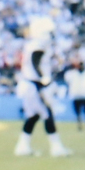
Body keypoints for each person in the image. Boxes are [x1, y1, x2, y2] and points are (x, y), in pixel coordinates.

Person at [13, 17, 73, 157]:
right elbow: (36, 61)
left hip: (30, 84)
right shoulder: (39, 44)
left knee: (33, 116)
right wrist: (43, 78)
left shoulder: (34, 43)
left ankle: (22, 145)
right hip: (34, 85)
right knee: (47, 113)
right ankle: (56, 147)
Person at [63, 58, 85, 131]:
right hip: (76, 95)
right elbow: (66, 77)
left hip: (84, 95)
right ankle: (80, 126)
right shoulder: (72, 73)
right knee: (78, 113)